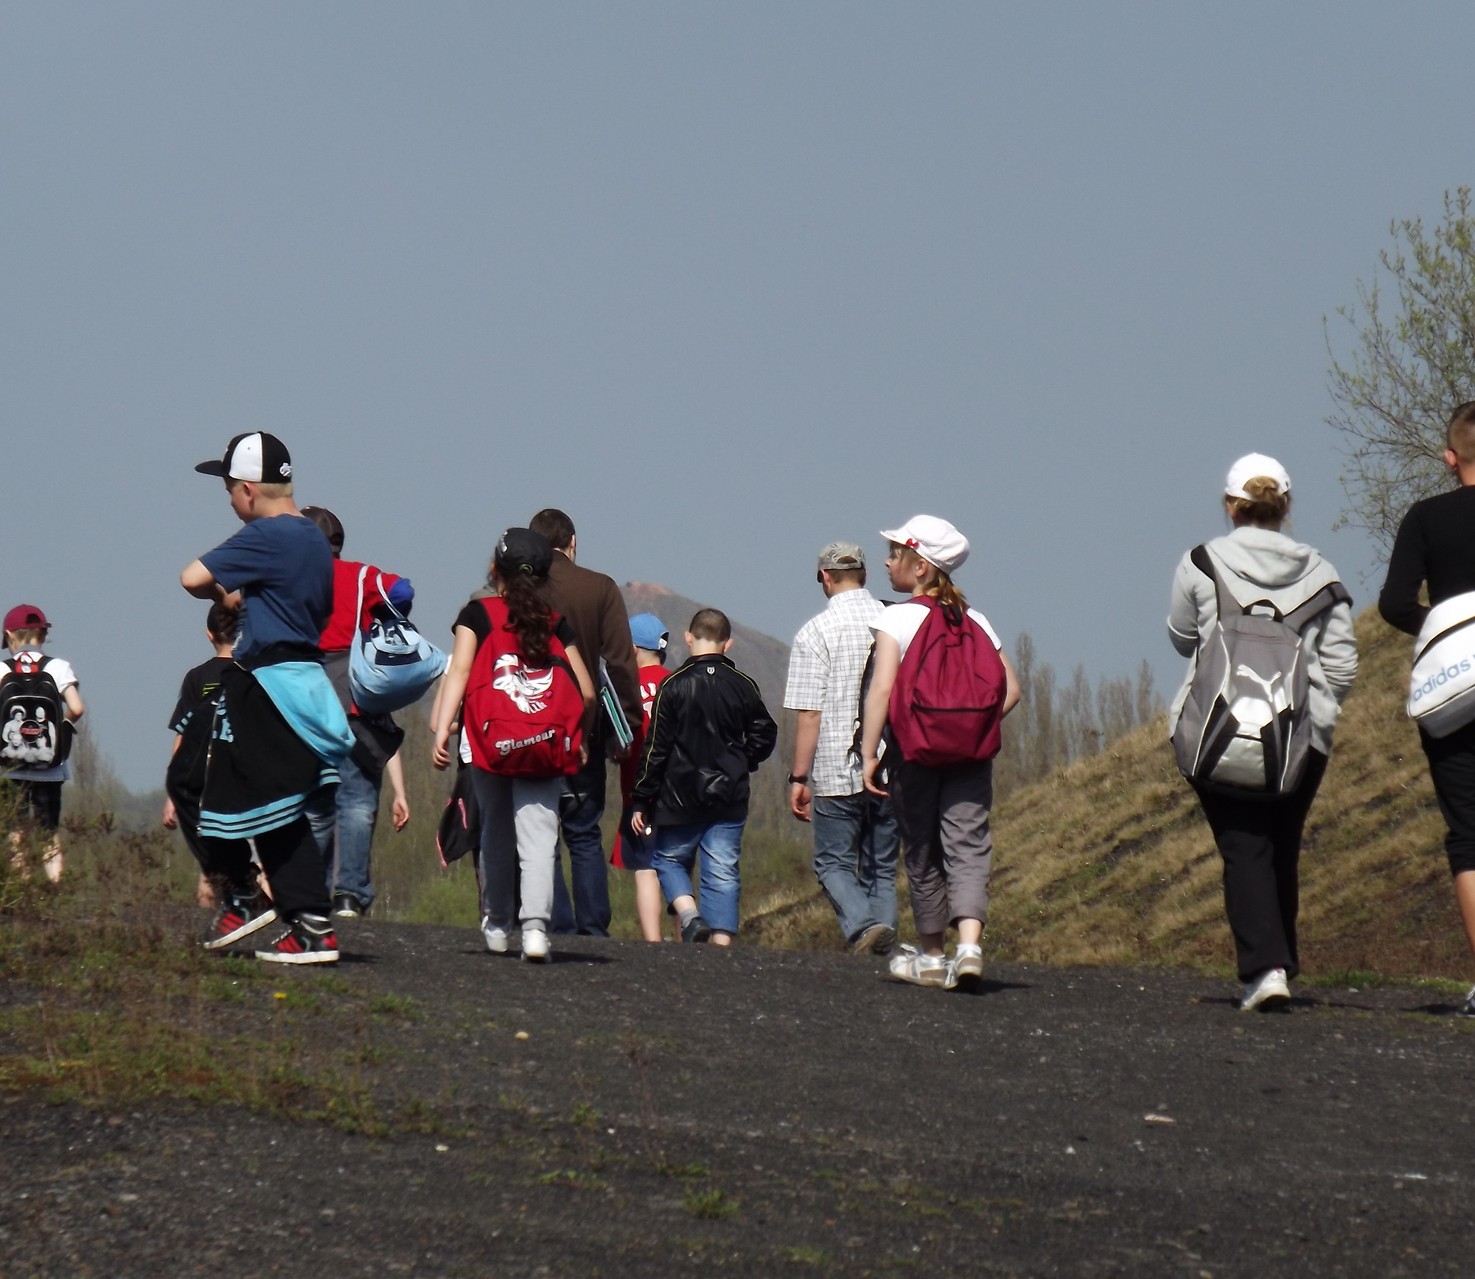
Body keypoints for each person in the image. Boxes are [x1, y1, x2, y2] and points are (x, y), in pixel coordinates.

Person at [1170, 454, 1357, 1011]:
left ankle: (1265, 968)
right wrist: (1317, 712)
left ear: (1230, 506)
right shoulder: (1323, 573)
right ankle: (1280, 961)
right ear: (1287, 506)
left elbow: (1182, 637)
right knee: (1281, 844)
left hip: (1217, 729)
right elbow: (1342, 664)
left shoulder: (1201, 562)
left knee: (1243, 844)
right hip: (1299, 735)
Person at [179, 431, 355, 964]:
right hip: (304, 679)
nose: (229, 499)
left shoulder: (266, 535)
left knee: (192, 781)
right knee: (279, 806)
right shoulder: (310, 538)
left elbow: (191, 578)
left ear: (249, 491)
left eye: (229, 488)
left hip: (266, 684)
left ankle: (245, 896)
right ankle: (306, 921)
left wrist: (221, 592)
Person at [860, 516, 1021, 990]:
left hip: (915, 756)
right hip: (970, 759)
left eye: (895, 553)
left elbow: (881, 690)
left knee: (924, 851)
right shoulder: (976, 620)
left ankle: (932, 956)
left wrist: (870, 752)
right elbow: (1012, 689)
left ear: (922, 568)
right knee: (968, 847)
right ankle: (969, 947)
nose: (887, 562)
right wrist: (973, 729)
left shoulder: (897, 617)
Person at [430, 527, 596, 962]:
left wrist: (442, 728)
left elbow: (460, 672)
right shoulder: (556, 623)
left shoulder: (477, 614)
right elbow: (587, 690)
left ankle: (499, 925)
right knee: (540, 837)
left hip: (491, 743)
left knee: (496, 833)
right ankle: (537, 930)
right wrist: (578, 737)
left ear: (493, 569)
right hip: (545, 745)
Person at [1379, 403, 1475, 1016]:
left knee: (1469, 835)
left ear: (1450, 458)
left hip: (1457, 686)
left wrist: (1438, 628)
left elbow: (1393, 603)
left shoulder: (1426, 517)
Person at [631, 608, 778, 946]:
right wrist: (743, 762)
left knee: (667, 860)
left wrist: (642, 797)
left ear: (688, 637)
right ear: (728, 643)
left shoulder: (673, 685)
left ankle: (689, 915)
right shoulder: (743, 685)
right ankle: (721, 943)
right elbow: (765, 733)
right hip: (729, 796)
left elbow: (656, 748)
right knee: (723, 870)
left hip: (678, 795)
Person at [528, 508, 641, 937]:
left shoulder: (520, 589)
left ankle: (555, 924)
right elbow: (620, 663)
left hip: (530, 728)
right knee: (583, 829)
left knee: (541, 833)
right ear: (572, 543)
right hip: (585, 731)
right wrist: (624, 727)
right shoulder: (600, 587)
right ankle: (593, 927)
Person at [784, 541, 900, 955]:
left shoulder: (815, 632)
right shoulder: (897, 620)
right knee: (881, 870)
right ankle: (885, 950)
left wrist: (799, 777)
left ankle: (863, 927)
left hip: (837, 767)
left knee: (832, 863)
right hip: (891, 764)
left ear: (824, 578)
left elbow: (810, 715)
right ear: (866, 576)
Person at [299, 506, 411, 919]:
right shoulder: (361, 577)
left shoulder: (290, 580)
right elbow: (402, 591)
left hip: (304, 703)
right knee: (357, 799)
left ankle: (310, 888)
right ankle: (348, 893)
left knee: (313, 801)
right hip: (355, 699)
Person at [162, 601, 248, 908]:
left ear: (208, 634)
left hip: (204, 779)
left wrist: (173, 796)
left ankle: (215, 922)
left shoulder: (196, 678)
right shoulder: (253, 672)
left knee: (211, 854)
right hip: (246, 776)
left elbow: (183, 737)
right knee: (255, 850)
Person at [1, 604, 85, 882]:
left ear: (10, 635)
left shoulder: (2, 669)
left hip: (10, 768)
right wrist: (61, 729)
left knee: (16, 832)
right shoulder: (58, 667)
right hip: (50, 768)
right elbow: (77, 707)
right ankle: (55, 887)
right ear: (43, 634)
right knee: (49, 832)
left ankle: (23, 891)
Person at [610, 612, 673, 942]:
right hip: (680, 794)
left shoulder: (624, 689)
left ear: (633, 650)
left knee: (647, 870)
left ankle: (653, 941)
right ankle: (685, 934)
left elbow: (617, 743)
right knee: (677, 865)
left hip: (639, 795)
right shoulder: (676, 681)